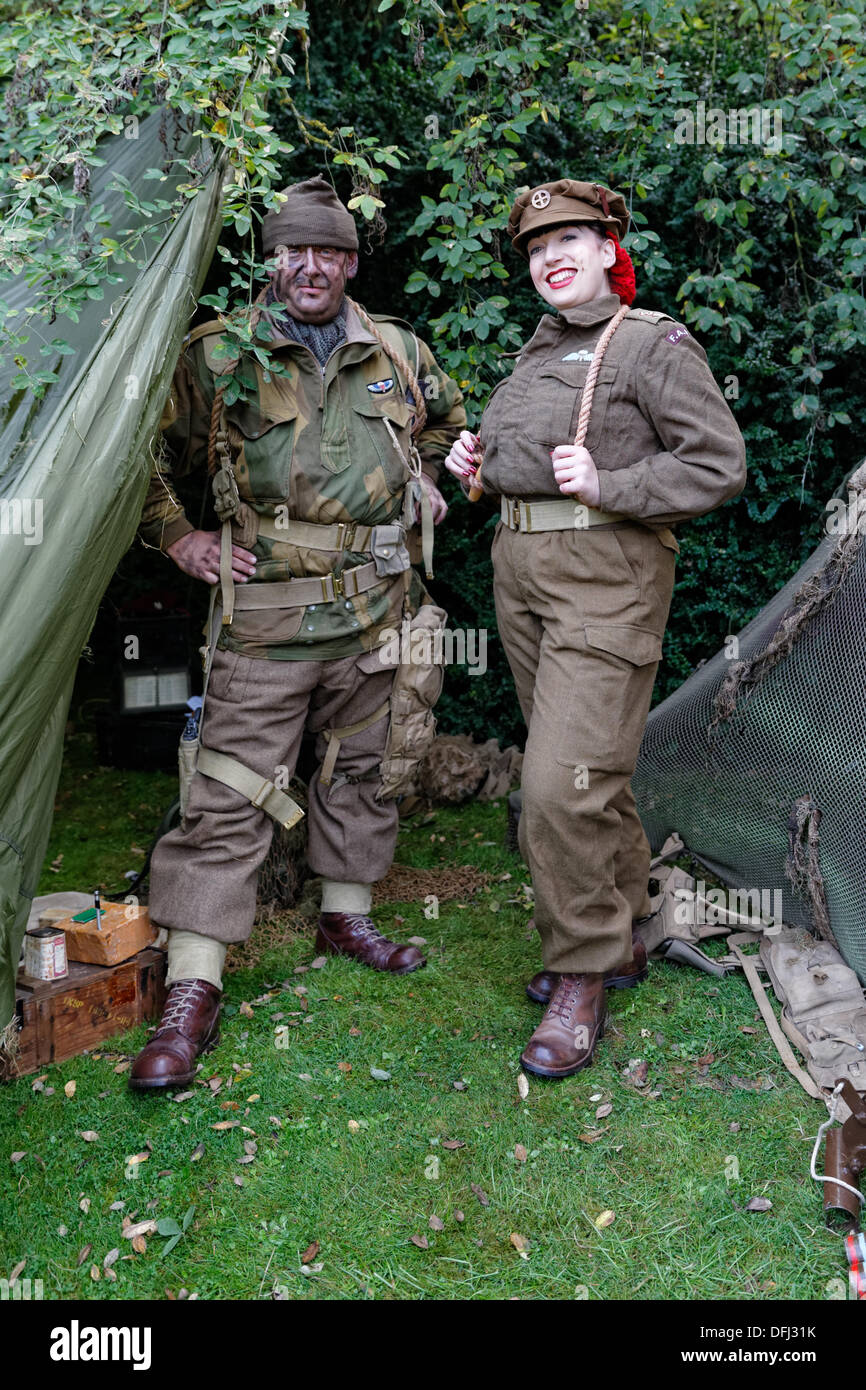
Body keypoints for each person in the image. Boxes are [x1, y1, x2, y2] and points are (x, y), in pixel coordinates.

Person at [129, 175, 465, 1090]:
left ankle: (344, 913)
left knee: (366, 766)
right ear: (271, 258)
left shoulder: (396, 348)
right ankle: (192, 986)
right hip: (266, 622)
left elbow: (447, 426)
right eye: (292, 250)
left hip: (378, 615)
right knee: (228, 795)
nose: (311, 266)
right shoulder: (219, 354)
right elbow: (134, 454)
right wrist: (179, 535)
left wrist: (431, 477)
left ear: (352, 263)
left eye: (328, 252)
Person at [445, 178, 746, 1079]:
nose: (549, 258)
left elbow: (718, 465)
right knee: (588, 772)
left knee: (555, 787)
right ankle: (620, 938)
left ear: (609, 247)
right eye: (536, 249)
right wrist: (475, 464)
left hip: (604, 585)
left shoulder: (650, 344)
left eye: (568, 239)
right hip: (525, 582)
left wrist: (612, 485)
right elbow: (516, 469)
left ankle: (579, 967)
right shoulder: (534, 358)